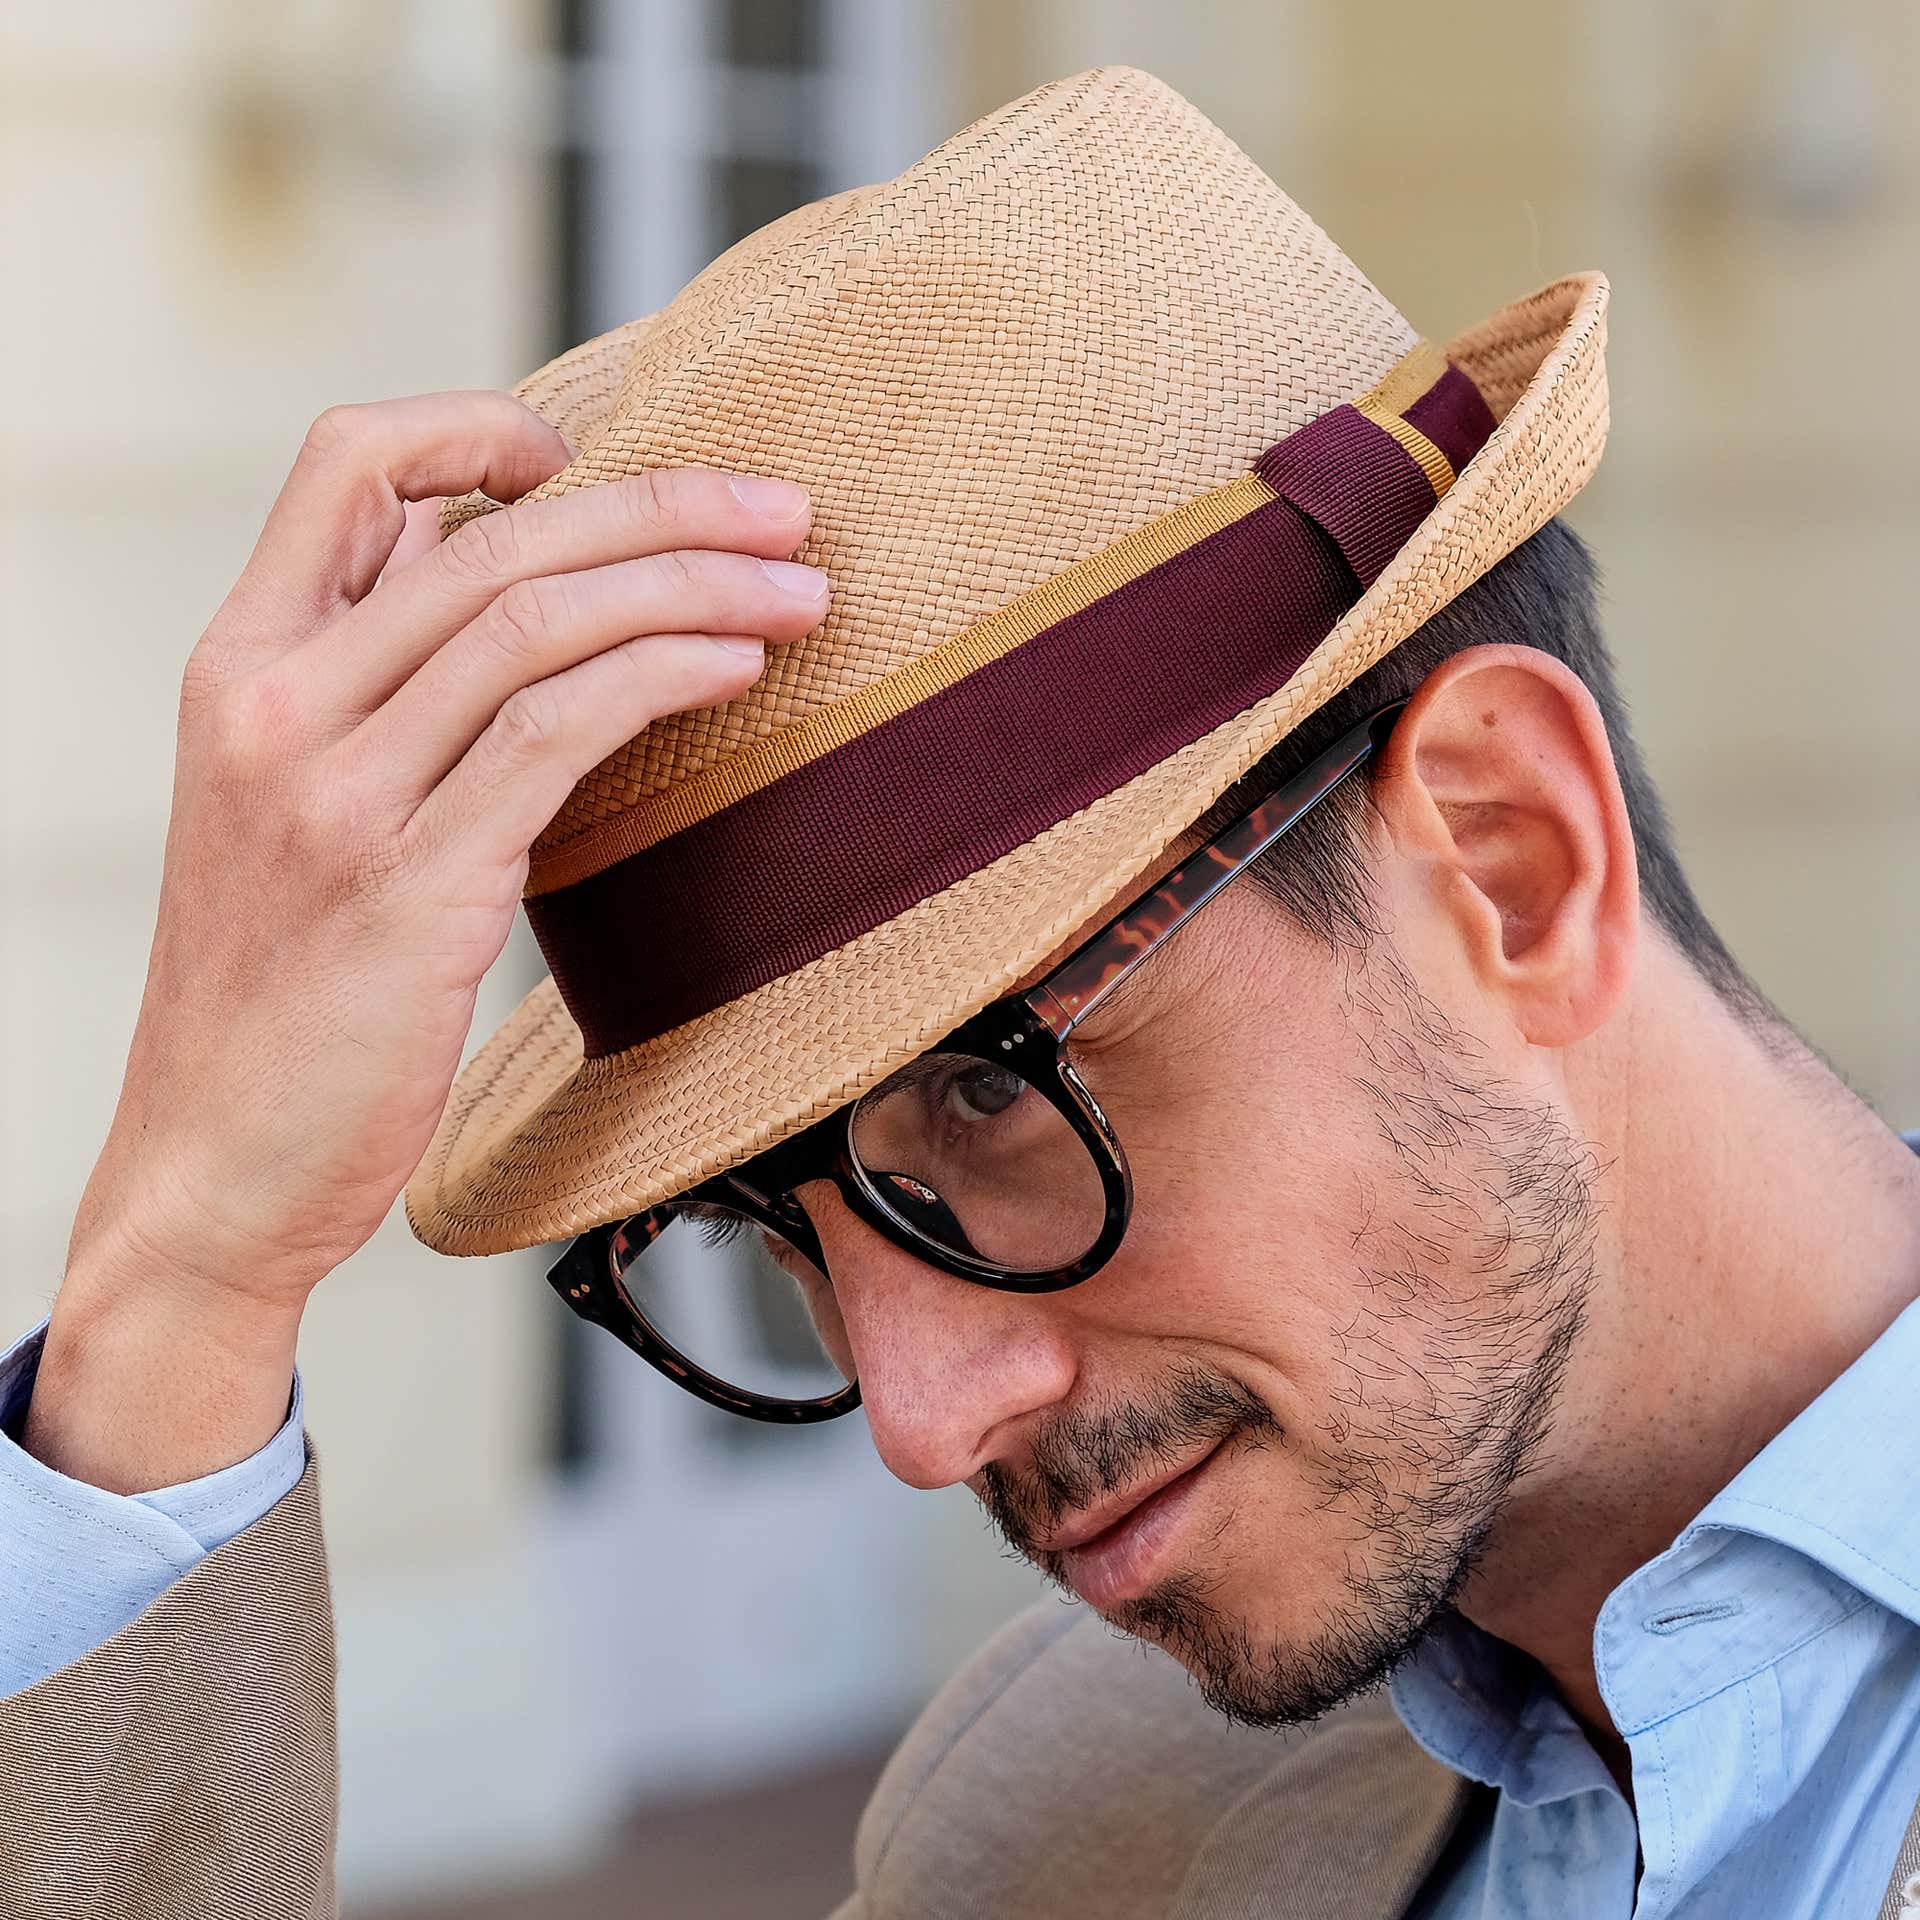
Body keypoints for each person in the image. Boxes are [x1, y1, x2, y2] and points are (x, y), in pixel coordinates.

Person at [4, 65, 1918, 1920]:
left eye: (991, 1091)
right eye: (773, 1222)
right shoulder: (1061, 1823)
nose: (917, 1420)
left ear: (1513, 857)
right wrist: (185, 1283)